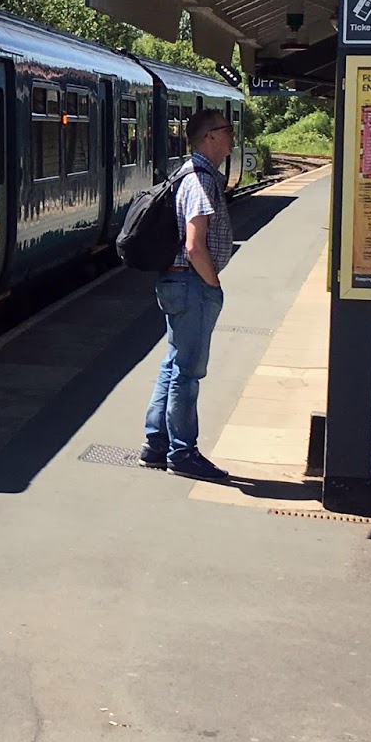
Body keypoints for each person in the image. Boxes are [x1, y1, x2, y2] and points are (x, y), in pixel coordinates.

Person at [139, 107, 235, 481]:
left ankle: (157, 444)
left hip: (180, 282)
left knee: (173, 363)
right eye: (227, 131)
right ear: (210, 136)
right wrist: (212, 283)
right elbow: (195, 245)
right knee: (187, 372)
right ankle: (183, 452)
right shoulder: (200, 180)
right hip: (191, 283)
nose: (232, 139)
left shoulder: (193, 174)